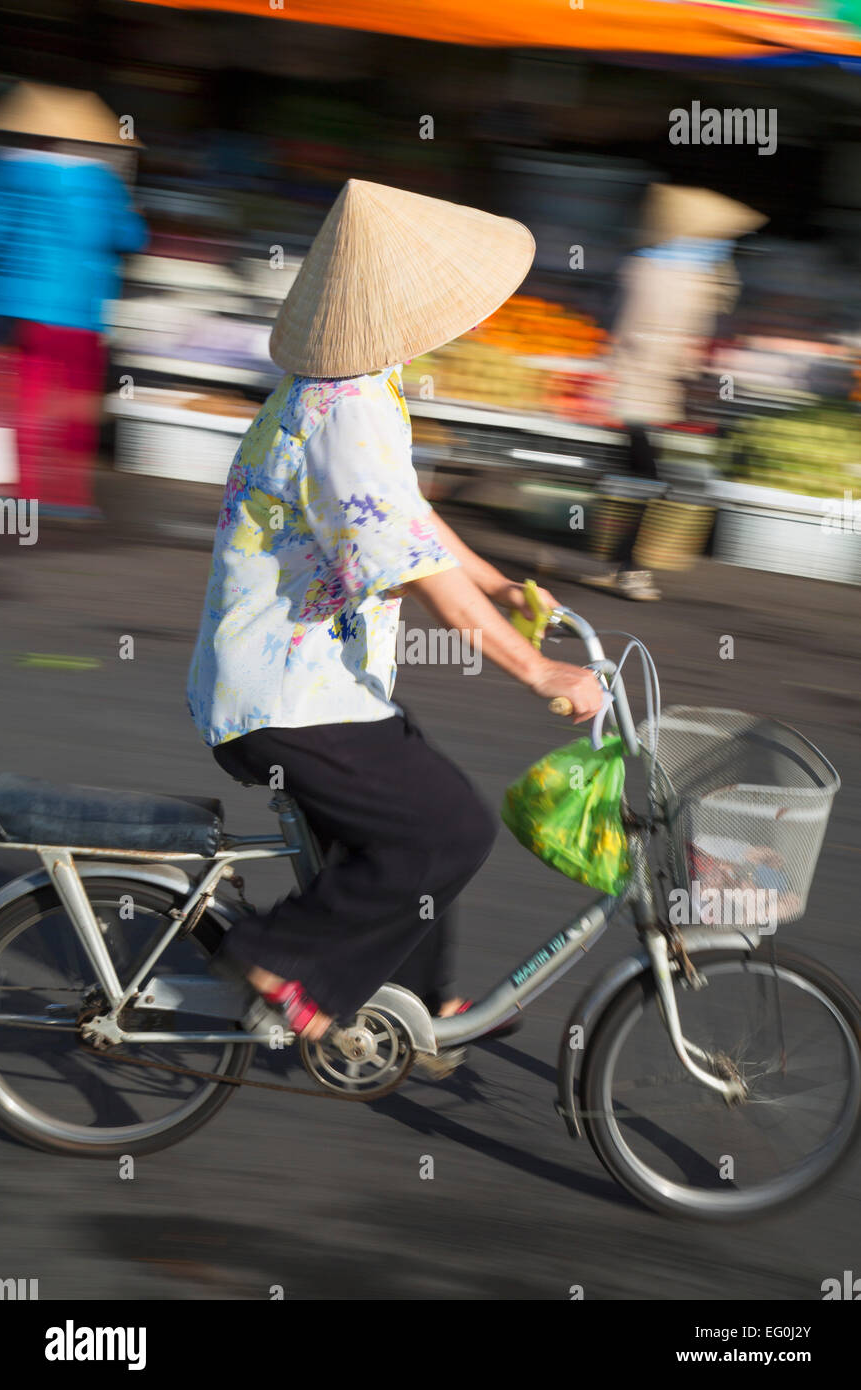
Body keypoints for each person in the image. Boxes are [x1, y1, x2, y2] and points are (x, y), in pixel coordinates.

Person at [186, 179, 603, 1044]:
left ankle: (418, 1004)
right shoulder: (348, 413)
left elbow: (407, 518)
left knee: (419, 803)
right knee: (447, 829)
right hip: (289, 698)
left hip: (305, 685)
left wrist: (492, 579)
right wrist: (537, 672)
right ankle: (276, 956)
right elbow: (411, 564)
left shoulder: (344, 387)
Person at [586, 183, 766, 601]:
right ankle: (627, 567)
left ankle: (628, 569)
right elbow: (696, 335)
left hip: (635, 390)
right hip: (662, 392)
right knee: (642, 476)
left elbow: (622, 330)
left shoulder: (645, 269)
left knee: (638, 476)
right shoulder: (701, 274)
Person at [0, 83, 147, 518]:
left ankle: (18, 488)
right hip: (80, 311)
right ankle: (65, 494)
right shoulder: (102, 181)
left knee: (19, 395)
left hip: (13, 307)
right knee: (74, 400)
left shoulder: (5, 171)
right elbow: (130, 237)